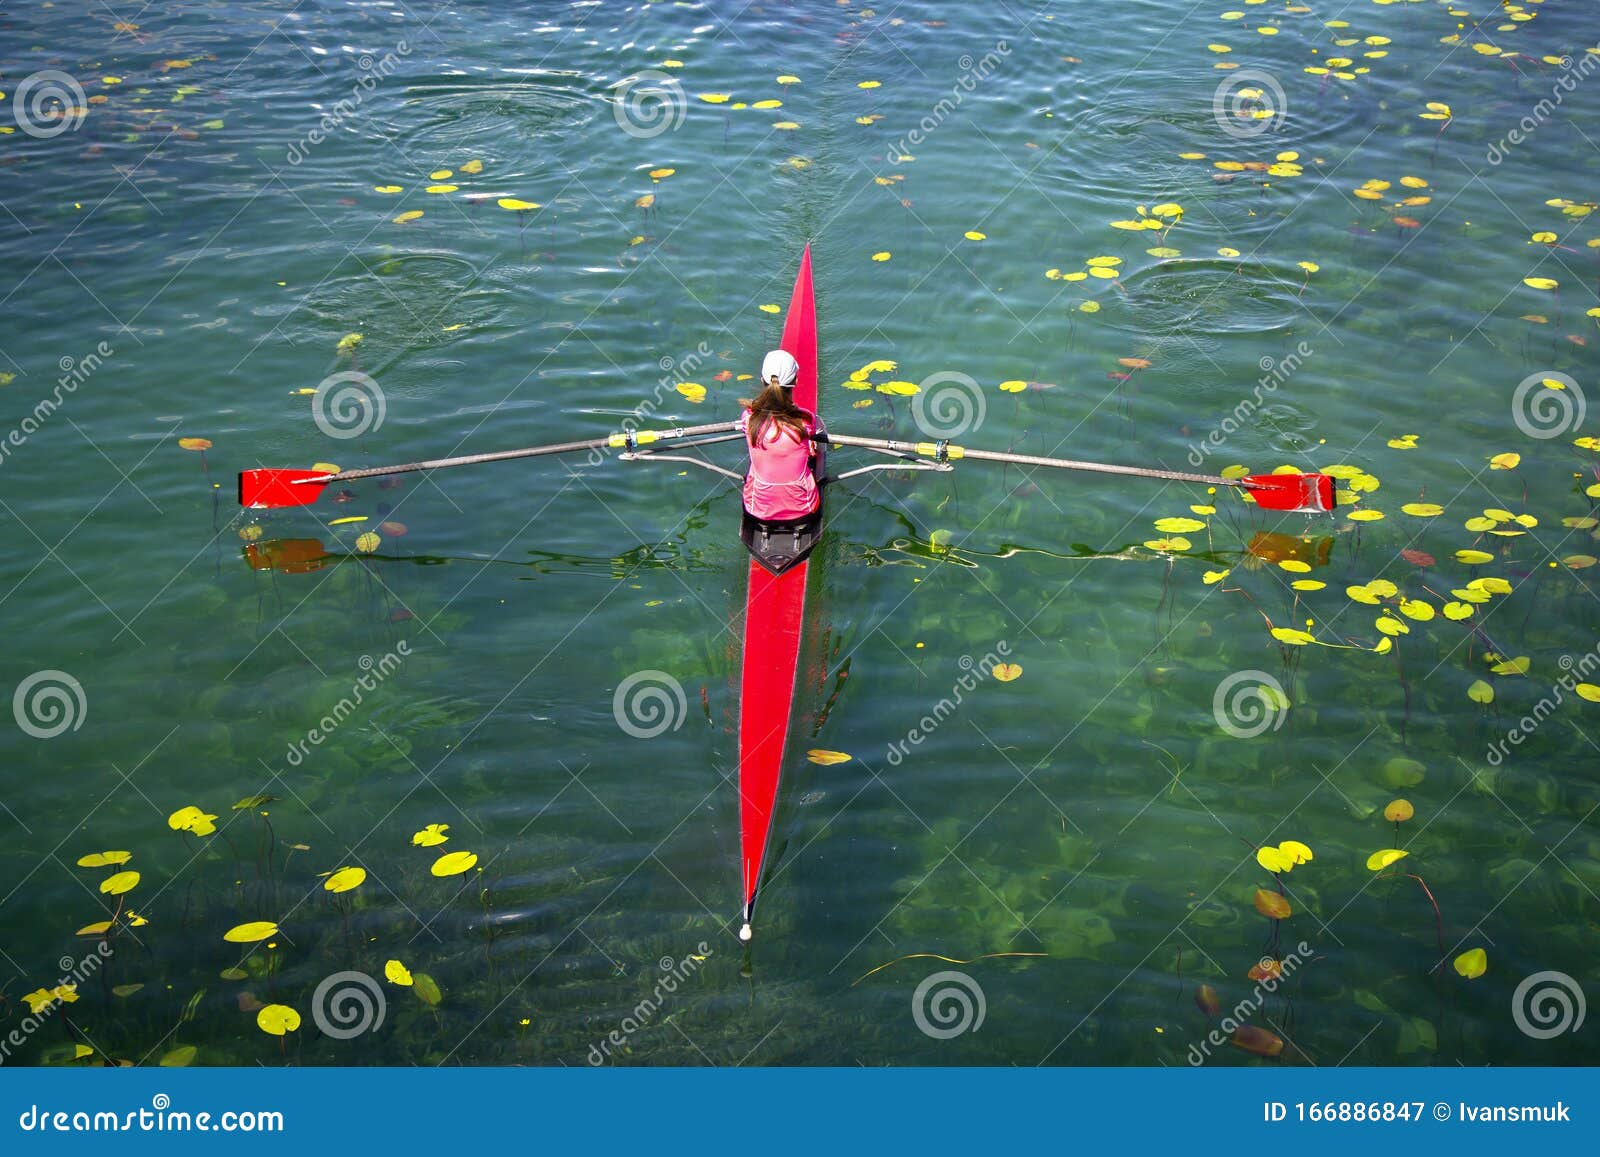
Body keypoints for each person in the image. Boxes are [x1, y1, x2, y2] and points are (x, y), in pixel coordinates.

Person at [738, 349, 820, 521]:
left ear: (762, 380)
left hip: (756, 510)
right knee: (811, 449)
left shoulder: (748, 418)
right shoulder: (806, 419)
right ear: (796, 381)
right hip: (803, 510)